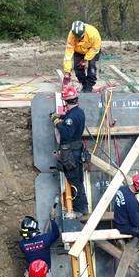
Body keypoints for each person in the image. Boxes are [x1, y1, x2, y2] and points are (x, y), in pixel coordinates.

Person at [51, 86, 88, 216]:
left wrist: (57, 123)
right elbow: (69, 118)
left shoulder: (71, 117)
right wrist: (61, 116)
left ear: (66, 101)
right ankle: (83, 207)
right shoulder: (79, 112)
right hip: (77, 151)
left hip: (71, 153)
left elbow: (66, 133)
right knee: (78, 180)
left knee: (74, 181)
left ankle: (79, 210)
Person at [63, 20, 102, 93]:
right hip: (79, 50)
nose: (78, 39)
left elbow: (94, 49)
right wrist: (67, 71)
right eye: (76, 38)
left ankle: (89, 86)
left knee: (92, 67)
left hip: (92, 50)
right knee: (77, 67)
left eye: (80, 38)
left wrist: (85, 59)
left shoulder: (93, 34)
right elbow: (68, 54)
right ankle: (84, 85)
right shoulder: (71, 35)